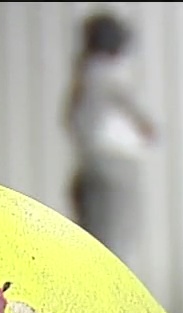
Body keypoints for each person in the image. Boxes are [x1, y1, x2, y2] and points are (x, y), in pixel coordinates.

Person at [63, 11, 157, 265]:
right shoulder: (109, 72)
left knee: (93, 235)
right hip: (117, 163)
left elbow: (69, 119)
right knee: (116, 239)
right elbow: (137, 114)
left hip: (91, 161)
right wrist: (147, 128)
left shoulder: (83, 74)